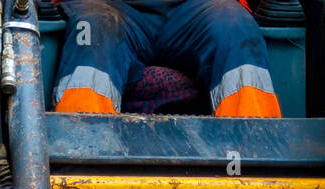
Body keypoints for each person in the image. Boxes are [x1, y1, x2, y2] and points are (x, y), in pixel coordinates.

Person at [51, 0, 281, 117]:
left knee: (236, 28)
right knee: (90, 33)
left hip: (202, 7)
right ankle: (83, 165)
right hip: (104, 7)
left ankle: (255, 163)